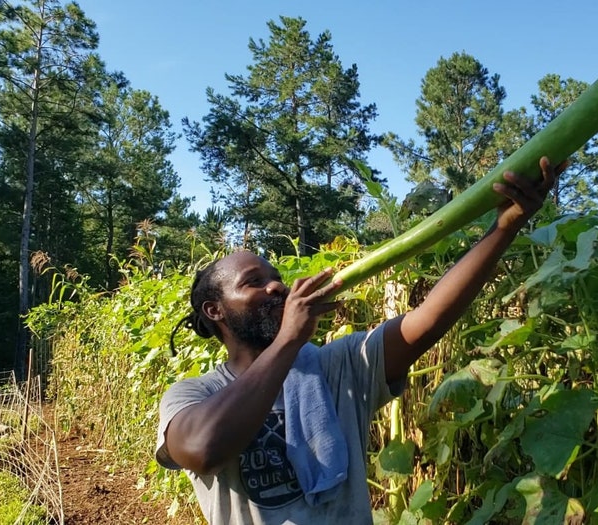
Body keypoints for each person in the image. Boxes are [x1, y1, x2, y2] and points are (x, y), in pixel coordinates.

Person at [156, 156, 567, 524]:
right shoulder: (194, 395)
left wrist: (505, 226)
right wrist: (288, 341)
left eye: (277, 277)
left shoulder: (337, 366)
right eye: (254, 282)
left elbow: (427, 320)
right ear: (215, 311)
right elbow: (203, 448)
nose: (276, 287)